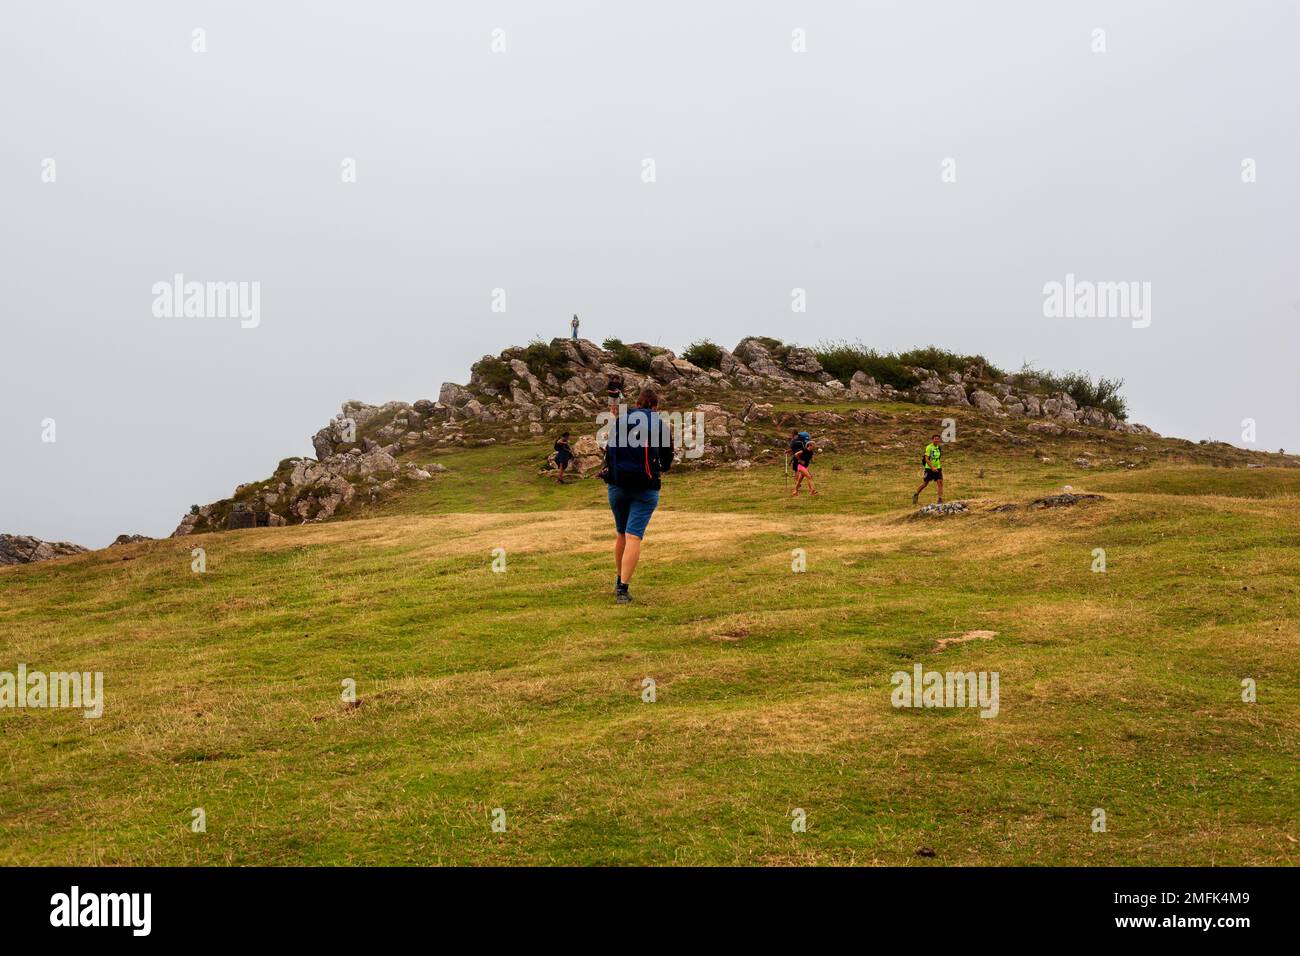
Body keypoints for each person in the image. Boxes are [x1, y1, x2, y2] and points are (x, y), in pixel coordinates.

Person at [603, 388, 673, 604]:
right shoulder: (659, 425)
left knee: (622, 533)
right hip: (646, 487)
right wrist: (661, 467)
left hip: (617, 485)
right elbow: (667, 457)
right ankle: (623, 588)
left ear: (638, 403)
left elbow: (608, 451)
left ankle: (618, 581)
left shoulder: (622, 420)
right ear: (655, 406)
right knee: (634, 536)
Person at [913, 433, 944, 504]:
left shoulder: (938, 447)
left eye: (938, 439)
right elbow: (926, 459)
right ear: (932, 440)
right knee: (925, 483)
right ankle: (916, 494)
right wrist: (932, 467)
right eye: (935, 439)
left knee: (940, 482)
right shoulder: (929, 447)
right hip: (929, 469)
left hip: (938, 468)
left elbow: (938, 458)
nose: (936, 440)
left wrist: (937, 466)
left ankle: (940, 499)